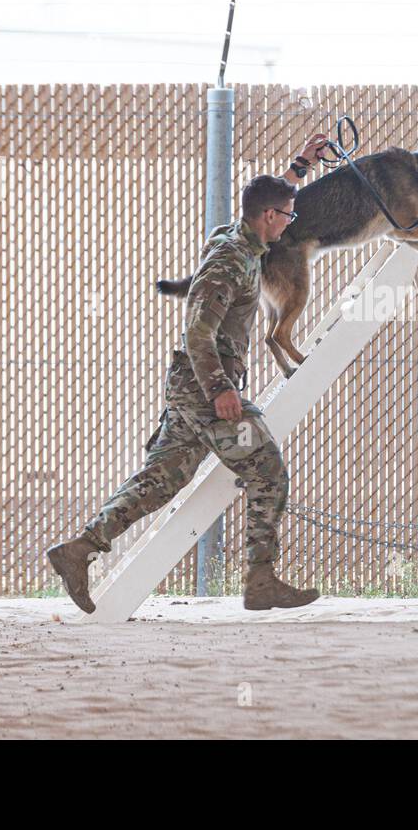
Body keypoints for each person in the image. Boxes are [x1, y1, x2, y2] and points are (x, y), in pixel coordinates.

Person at [47, 134, 331, 613]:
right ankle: (260, 580)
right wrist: (220, 389)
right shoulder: (228, 259)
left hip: (191, 390)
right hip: (204, 389)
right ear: (268, 218)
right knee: (268, 473)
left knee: (159, 481)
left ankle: (79, 550)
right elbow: (197, 330)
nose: (291, 222)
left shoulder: (235, 235)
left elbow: (271, 195)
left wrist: (301, 165)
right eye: (288, 215)